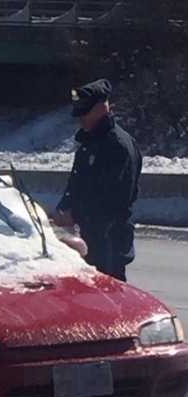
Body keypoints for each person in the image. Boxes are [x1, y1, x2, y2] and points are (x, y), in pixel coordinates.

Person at [53, 79, 142, 281]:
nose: (80, 119)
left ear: (101, 108)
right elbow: (78, 182)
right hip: (91, 237)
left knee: (111, 300)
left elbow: (113, 198)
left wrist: (74, 212)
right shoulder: (90, 140)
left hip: (110, 239)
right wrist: (64, 205)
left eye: (84, 113)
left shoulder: (117, 145)